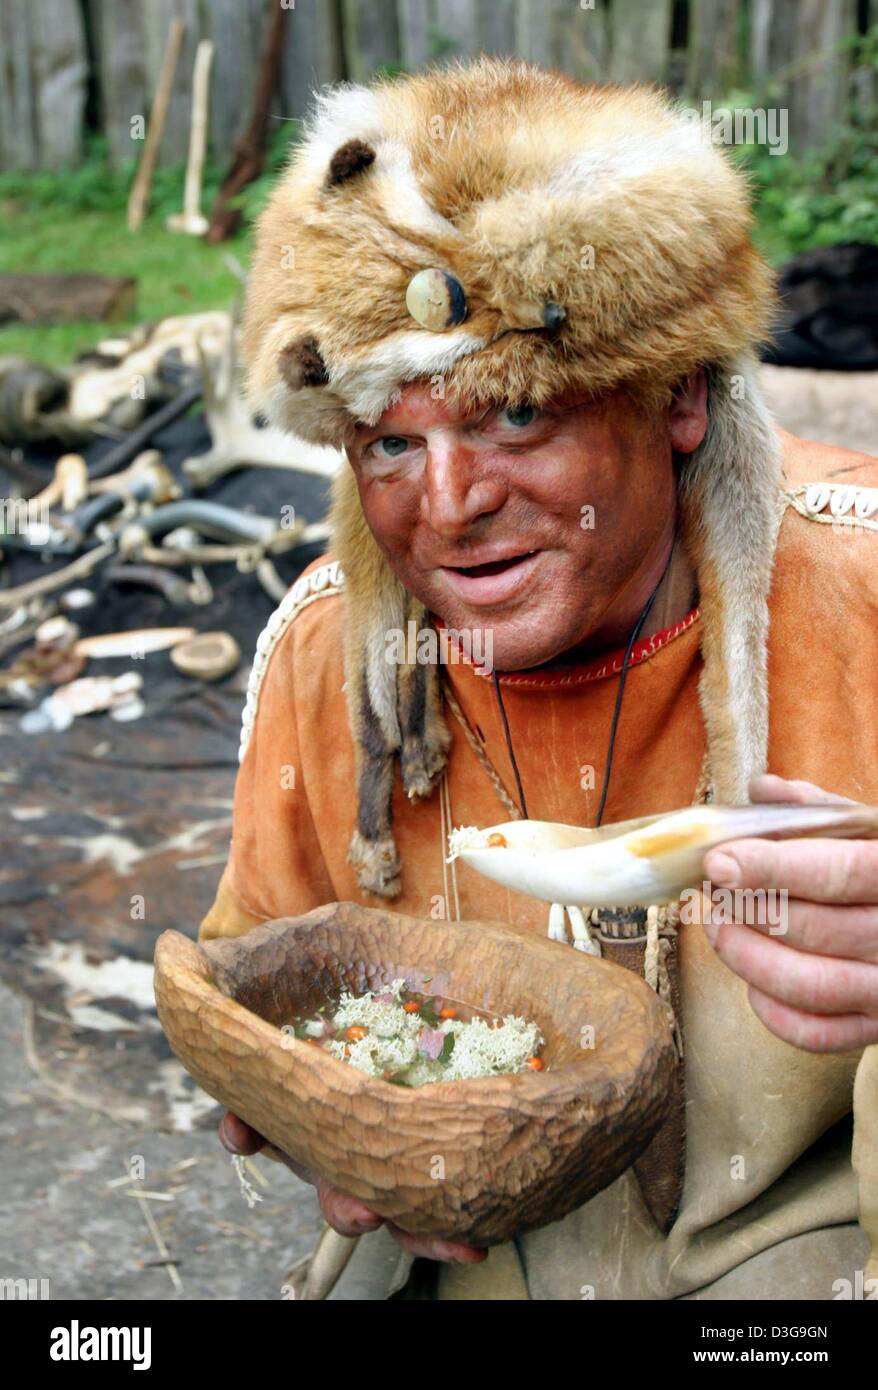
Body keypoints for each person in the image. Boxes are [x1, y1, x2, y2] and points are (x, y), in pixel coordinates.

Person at [200, 59, 878, 1300]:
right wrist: (309, 1110)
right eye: (391, 442)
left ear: (675, 394)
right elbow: (251, 982)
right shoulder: (336, 657)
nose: (448, 509)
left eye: (513, 415)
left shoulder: (861, 591)